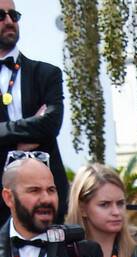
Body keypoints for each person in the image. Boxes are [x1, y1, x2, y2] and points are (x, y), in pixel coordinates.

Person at [0, 2, 68, 225]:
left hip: (45, 196)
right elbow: (40, 126)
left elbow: (51, 125)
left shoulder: (46, 73)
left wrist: (5, 136)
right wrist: (26, 133)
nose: (10, 21)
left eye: (14, 15)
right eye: (1, 16)